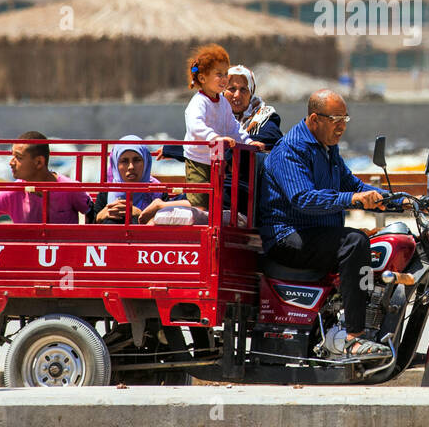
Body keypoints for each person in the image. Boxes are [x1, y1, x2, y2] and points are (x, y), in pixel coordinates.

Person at [260, 89, 390, 358]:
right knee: (355, 242)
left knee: (382, 243)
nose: (342, 125)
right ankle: (355, 337)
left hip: (316, 234)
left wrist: (393, 199)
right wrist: (354, 199)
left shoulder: (327, 148)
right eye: (336, 119)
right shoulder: (291, 150)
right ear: (315, 119)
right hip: (288, 236)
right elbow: (303, 199)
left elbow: (350, 183)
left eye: (345, 118)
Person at [182, 43, 259, 209]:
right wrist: (214, 137)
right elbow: (196, 126)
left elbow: (232, 125)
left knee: (214, 201)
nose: (225, 78)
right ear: (202, 78)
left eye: (226, 73)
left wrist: (247, 141)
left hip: (216, 160)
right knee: (199, 202)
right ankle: (162, 206)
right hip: (198, 159)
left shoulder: (222, 102)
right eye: (219, 74)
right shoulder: (199, 102)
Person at [91, 136, 192, 223]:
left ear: (146, 162)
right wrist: (101, 216)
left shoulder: (158, 193)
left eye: (137, 160)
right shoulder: (107, 192)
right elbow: (91, 230)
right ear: (116, 164)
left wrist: (138, 214)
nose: (131, 167)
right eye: (124, 161)